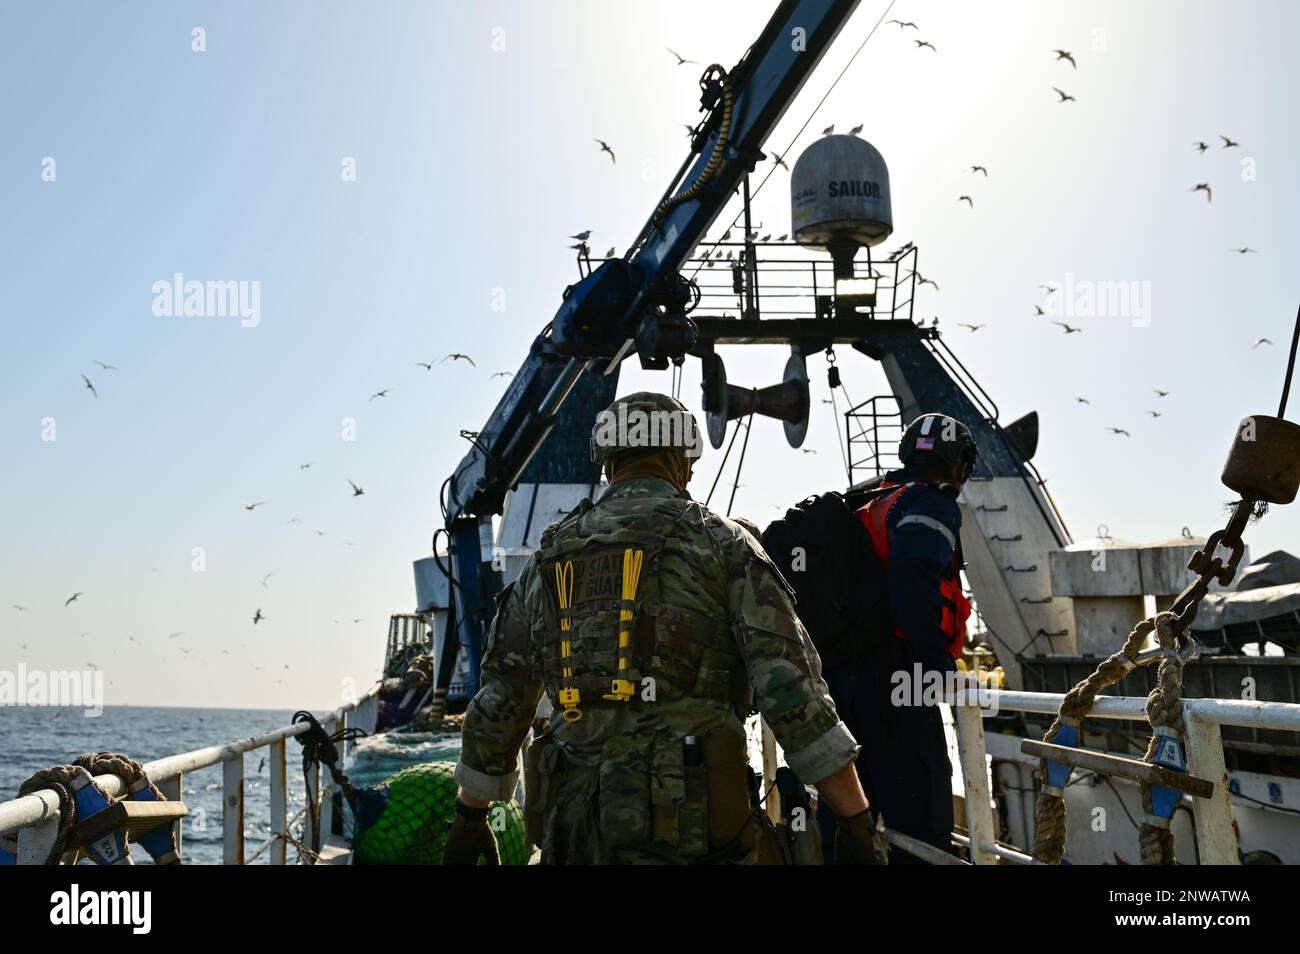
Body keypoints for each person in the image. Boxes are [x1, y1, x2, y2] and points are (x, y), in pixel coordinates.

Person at [444, 391, 886, 865]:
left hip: (574, 833)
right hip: (697, 835)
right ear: (684, 461)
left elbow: (502, 698)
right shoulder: (724, 545)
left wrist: (471, 816)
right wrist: (854, 820)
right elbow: (791, 690)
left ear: (606, 461)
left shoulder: (547, 561)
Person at [822, 412, 977, 863]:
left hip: (843, 681)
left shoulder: (867, 500)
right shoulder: (931, 503)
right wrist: (939, 667)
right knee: (922, 822)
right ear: (956, 463)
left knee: (849, 819)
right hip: (898, 683)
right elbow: (910, 582)